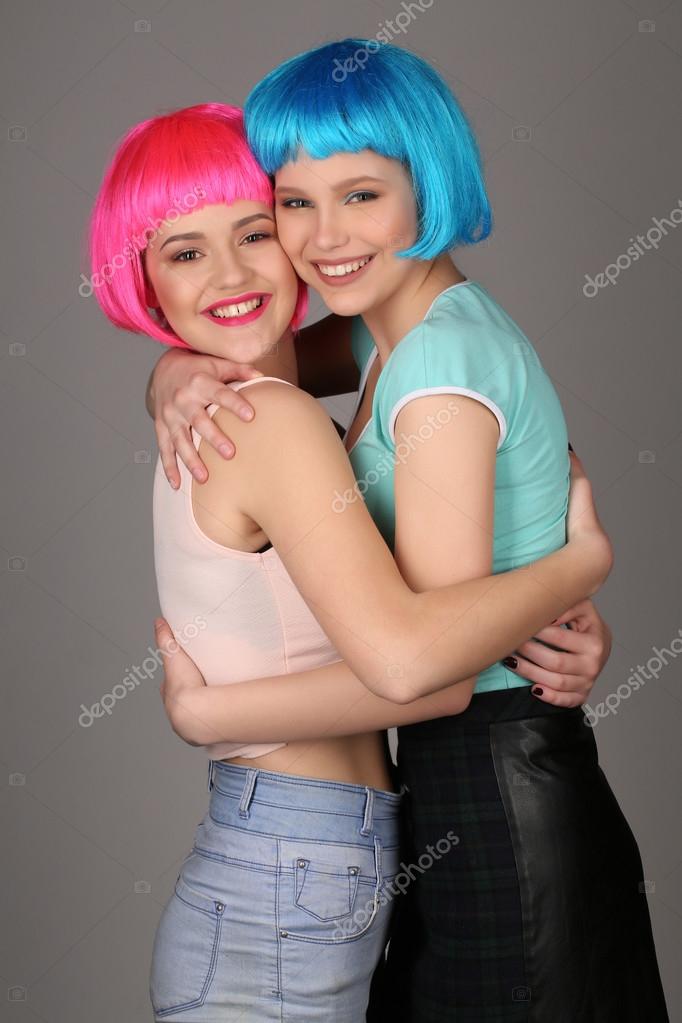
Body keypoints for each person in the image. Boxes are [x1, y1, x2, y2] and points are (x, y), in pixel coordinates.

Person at [146, 40, 668, 1022]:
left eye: (361, 196)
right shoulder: (394, 327)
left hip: (494, 786)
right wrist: (167, 377)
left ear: (430, 185)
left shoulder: (434, 376)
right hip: (453, 785)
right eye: (293, 202)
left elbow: (425, 670)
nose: (322, 237)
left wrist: (581, 566)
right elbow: (239, 347)